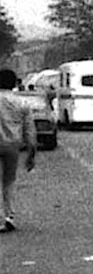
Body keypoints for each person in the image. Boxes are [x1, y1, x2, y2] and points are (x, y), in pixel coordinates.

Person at [0, 68, 39, 233]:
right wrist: (31, 153)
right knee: (9, 181)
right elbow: (30, 130)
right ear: (15, 84)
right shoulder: (22, 103)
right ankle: (9, 216)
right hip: (12, 146)